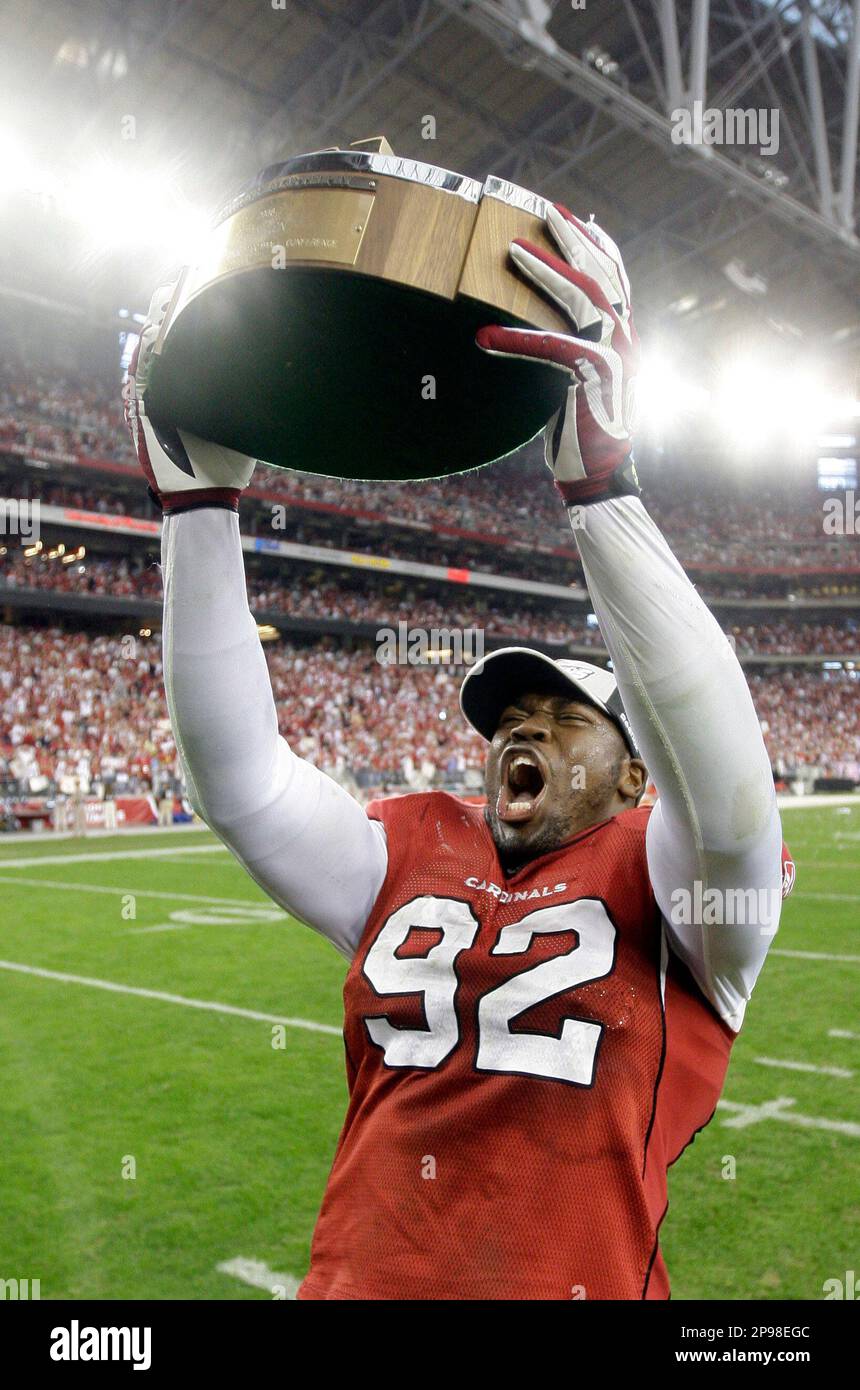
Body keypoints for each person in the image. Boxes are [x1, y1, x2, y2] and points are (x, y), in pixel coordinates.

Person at [123, 204, 787, 1300]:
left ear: (633, 773)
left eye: (562, 714)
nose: (519, 727)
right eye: (506, 716)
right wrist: (197, 507)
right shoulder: (406, 848)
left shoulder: (678, 891)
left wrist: (599, 490)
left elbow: (725, 794)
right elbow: (236, 779)